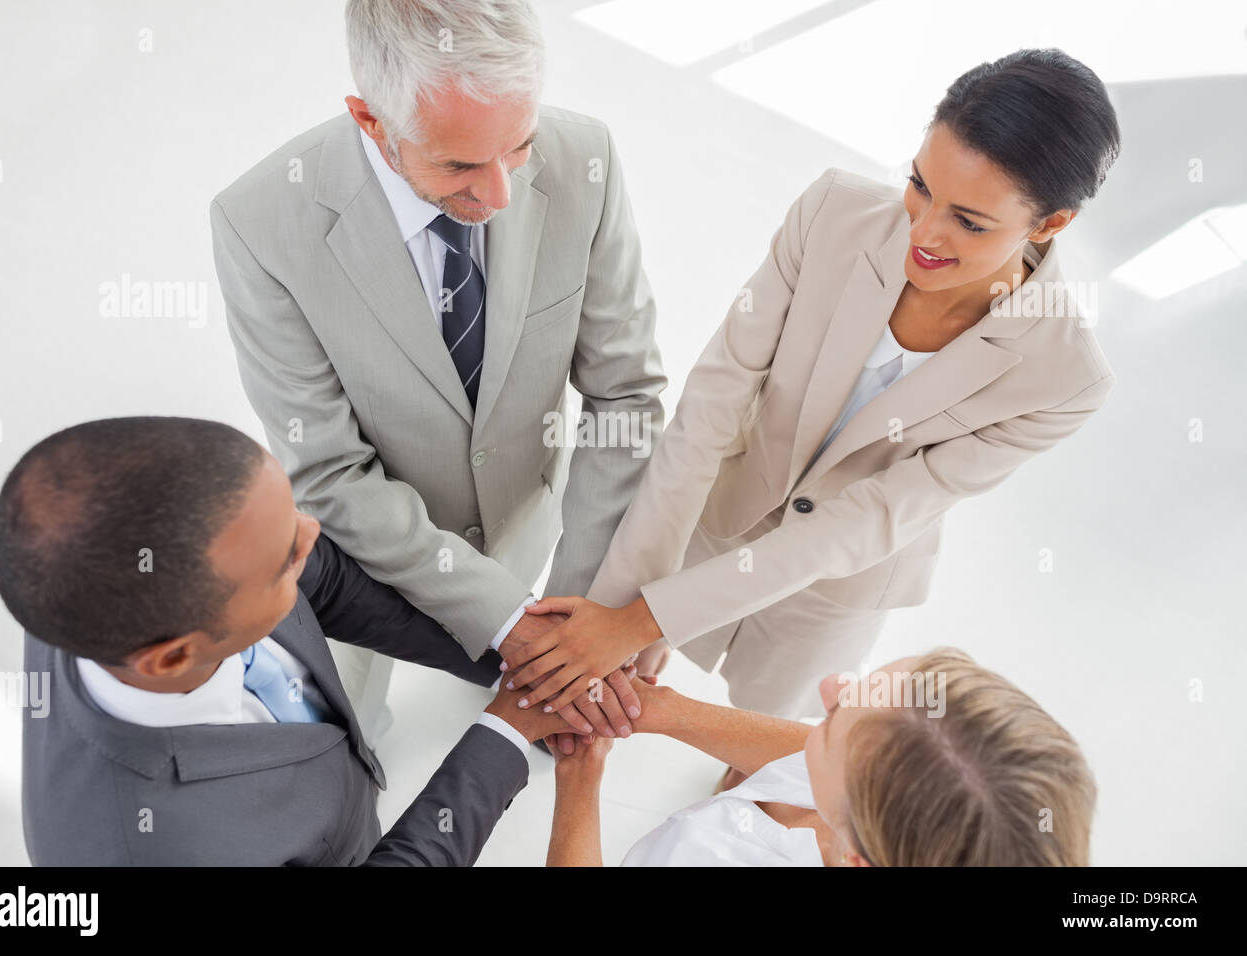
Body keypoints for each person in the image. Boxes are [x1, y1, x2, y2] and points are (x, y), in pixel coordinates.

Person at [500, 49, 1121, 785]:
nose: (923, 232)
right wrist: (622, 603)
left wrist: (645, 619)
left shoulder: (1063, 379)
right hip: (718, 507)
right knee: (593, 693)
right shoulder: (832, 212)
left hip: (834, 585)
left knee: (770, 768)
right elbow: (713, 405)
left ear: (1050, 223)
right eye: (919, 185)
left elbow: (868, 517)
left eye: (970, 222)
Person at [210, 0, 664, 751]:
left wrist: (575, 621)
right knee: (348, 744)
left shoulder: (588, 157)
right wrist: (506, 620)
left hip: (528, 531)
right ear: (370, 119)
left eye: (518, 146)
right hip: (364, 570)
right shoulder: (260, 224)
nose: (500, 196)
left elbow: (625, 397)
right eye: (458, 165)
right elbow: (326, 469)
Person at [0, 417, 596, 866]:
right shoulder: (155, 845)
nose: (313, 533)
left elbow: (327, 582)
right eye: (284, 558)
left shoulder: (113, 566)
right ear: (174, 656)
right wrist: (507, 731)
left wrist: (523, 661)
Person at [545, 649, 1096, 867]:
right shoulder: (909, 809)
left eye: (832, 720)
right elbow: (802, 755)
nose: (832, 683)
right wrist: (661, 709)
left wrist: (579, 775)